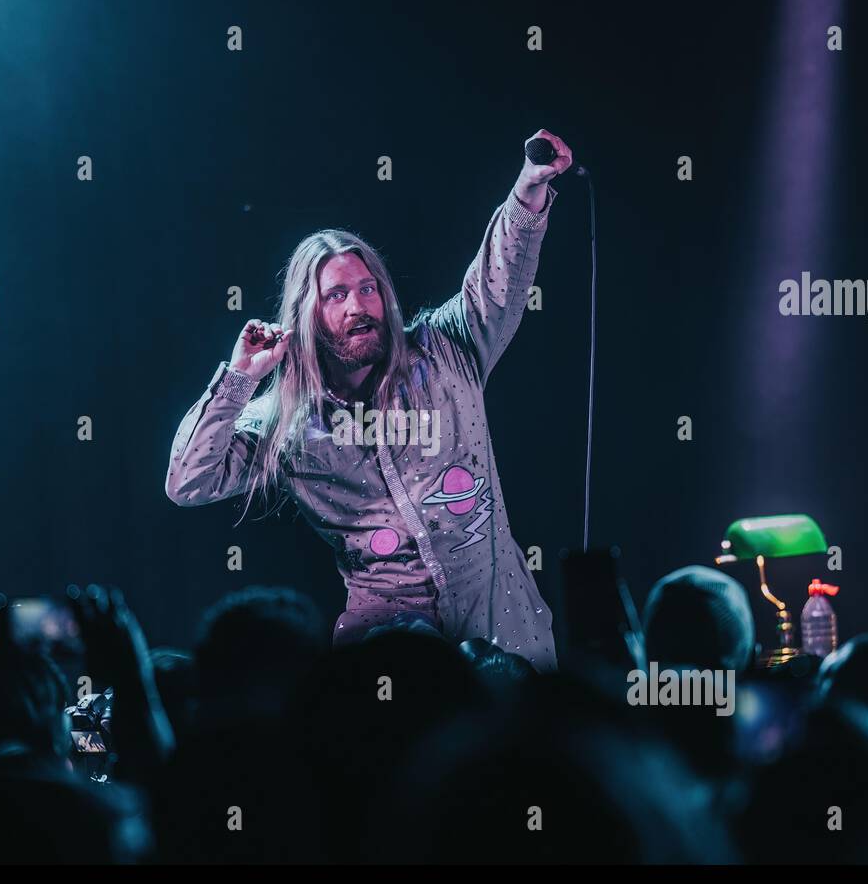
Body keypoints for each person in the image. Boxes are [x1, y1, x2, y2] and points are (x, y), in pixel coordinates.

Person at [165, 130, 572, 672]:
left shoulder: (446, 350)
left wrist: (527, 193)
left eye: (368, 288)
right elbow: (187, 482)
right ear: (306, 315)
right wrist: (240, 377)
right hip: (389, 660)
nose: (359, 306)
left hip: (506, 634)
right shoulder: (285, 423)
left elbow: (498, 279)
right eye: (336, 295)